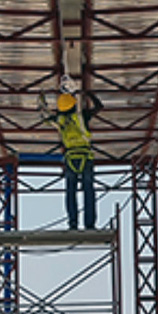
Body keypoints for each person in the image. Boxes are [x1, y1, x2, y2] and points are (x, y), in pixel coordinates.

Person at [49, 87, 103, 230]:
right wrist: (88, 93)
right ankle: (90, 224)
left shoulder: (59, 120)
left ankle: (73, 224)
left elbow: (46, 118)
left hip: (70, 159)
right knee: (88, 191)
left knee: (70, 192)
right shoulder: (81, 117)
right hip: (86, 157)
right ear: (73, 105)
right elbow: (99, 107)